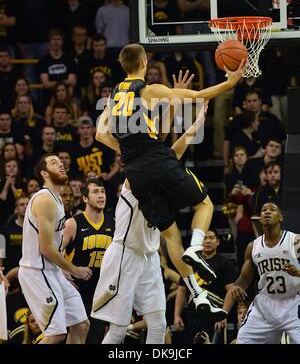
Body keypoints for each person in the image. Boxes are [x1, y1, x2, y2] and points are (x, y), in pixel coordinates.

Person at [97, 52, 243, 318]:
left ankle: (197, 293)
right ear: (144, 63)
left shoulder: (114, 96)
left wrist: (131, 151)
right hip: (154, 162)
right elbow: (199, 97)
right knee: (205, 203)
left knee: (170, 235)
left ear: (121, 64)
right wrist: (229, 84)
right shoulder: (150, 89)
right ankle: (197, 246)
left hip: (136, 169)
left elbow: (101, 133)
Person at [92, 102, 212, 344]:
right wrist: (107, 112)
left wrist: (195, 123)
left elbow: (170, 151)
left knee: (158, 325)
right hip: (124, 257)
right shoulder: (133, 179)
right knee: (117, 330)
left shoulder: (156, 168)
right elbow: (160, 141)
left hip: (149, 258)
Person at [18, 154, 92, 344]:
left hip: (52, 271)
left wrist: (60, 268)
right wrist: (73, 269)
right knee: (56, 334)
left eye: (61, 162)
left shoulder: (57, 199)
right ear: (44, 173)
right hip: (37, 271)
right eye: (54, 163)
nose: (61, 164)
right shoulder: (45, 200)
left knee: (81, 324)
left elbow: (54, 246)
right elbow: (46, 248)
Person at [220, 202, 300, 344]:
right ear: (260, 218)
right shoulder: (253, 247)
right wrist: (237, 287)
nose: (267, 212)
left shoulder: (295, 241)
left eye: (272, 210)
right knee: (243, 341)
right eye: (264, 210)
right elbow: (244, 278)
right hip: (265, 305)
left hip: (293, 303)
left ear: (281, 217)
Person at [63, 178, 115, 343]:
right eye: (95, 192)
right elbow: (53, 251)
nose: (101, 196)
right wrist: (65, 269)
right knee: (78, 335)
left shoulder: (112, 223)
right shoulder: (73, 223)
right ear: (85, 198)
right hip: (76, 291)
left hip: (100, 292)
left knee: (96, 337)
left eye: (103, 192)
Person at [173, 230, 236, 344]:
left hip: (215, 315)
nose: (207, 241)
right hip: (193, 316)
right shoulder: (189, 262)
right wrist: (177, 315)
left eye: (211, 238)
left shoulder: (225, 263)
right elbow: (182, 290)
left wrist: (223, 314)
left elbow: (231, 290)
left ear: (218, 242)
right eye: (204, 238)